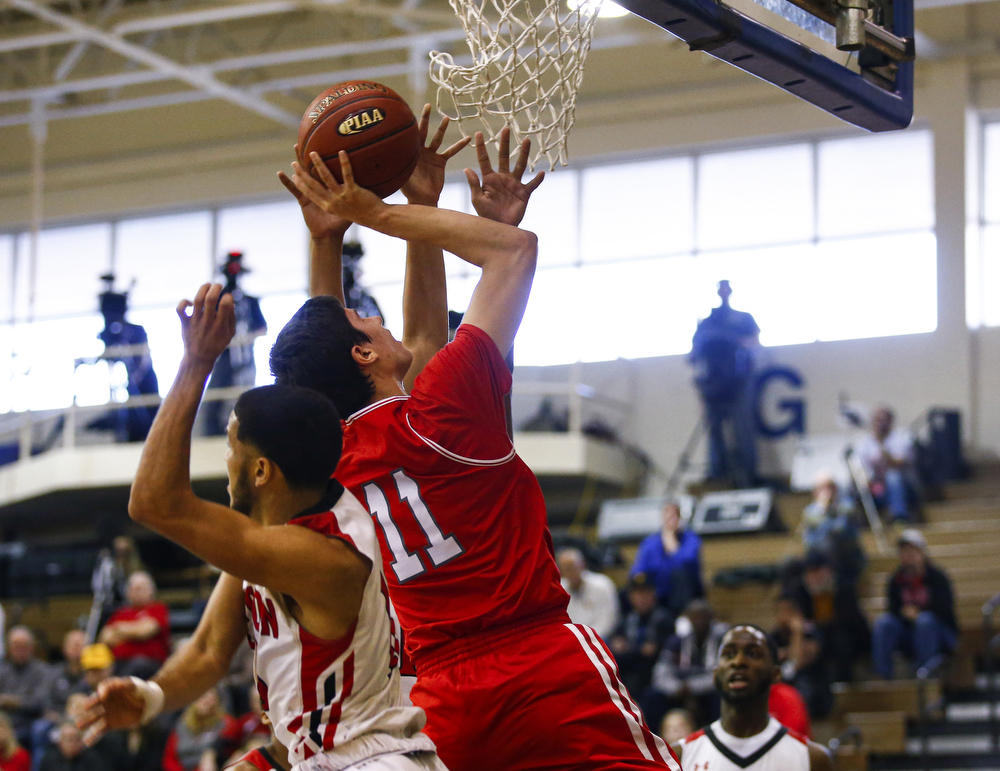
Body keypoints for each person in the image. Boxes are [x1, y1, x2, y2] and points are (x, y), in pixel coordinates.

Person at [271, 116, 680, 771]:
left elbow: (345, 355)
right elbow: (513, 252)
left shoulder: (334, 464)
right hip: (537, 658)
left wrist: (340, 235)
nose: (374, 316)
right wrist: (377, 214)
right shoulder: (445, 405)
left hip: (439, 699)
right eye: (363, 317)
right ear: (364, 352)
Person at [79, 282, 442, 771]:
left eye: (232, 447)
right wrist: (151, 696)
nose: (226, 461)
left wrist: (196, 362)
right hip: (325, 756)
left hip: (369, 761)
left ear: (261, 471)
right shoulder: (269, 540)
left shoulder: (322, 552)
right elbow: (209, 650)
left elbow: (154, 503)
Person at [674, 626, 832, 771]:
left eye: (753, 654)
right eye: (729, 654)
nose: (738, 662)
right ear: (715, 675)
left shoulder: (812, 759)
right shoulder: (680, 756)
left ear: (775, 674)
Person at [690, 280, 760, 488]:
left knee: (743, 428)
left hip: (739, 383)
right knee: (714, 430)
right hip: (713, 384)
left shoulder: (743, 318)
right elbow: (694, 354)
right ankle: (717, 472)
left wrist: (736, 343)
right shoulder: (708, 322)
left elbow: (755, 341)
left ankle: (748, 475)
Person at [872, 529, 957, 679]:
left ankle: (924, 676)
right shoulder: (895, 580)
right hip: (908, 632)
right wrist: (905, 615)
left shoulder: (937, 578)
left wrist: (918, 613)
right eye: (904, 552)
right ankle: (882, 676)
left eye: (912, 551)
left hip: (939, 632)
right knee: (884, 623)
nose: (908, 556)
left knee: (925, 621)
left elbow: (945, 610)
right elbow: (892, 610)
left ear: (922, 553)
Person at [203, 251, 268, 437]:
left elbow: (262, 327)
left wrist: (245, 337)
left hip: (246, 358)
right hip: (223, 356)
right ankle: (212, 433)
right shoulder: (217, 299)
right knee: (216, 394)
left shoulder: (249, 301)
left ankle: (247, 431)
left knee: (246, 393)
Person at [784, 551, 869, 683]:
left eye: (817, 571)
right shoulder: (799, 591)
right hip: (815, 636)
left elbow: (852, 622)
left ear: (828, 571)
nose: (813, 577)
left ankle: (842, 682)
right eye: (810, 572)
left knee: (840, 640)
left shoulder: (844, 589)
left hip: (844, 637)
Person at [642, 599, 728, 729]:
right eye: (695, 617)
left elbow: (721, 674)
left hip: (707, 690)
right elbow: (660, 672)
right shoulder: (676, 642)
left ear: (711, 618)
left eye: (703, 616)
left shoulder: (721, 641)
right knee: (651, 697)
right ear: (689, 618)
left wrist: (691, 687)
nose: (699, 621)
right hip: (678, 689)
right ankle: (655, 734)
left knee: (721, 697)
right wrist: (676, 687)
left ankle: (718, 733)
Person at [630, 502, 704, 616]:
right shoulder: (651, 541)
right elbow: (638, 569)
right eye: (667, 516)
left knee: (679, 575)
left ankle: (677, 617)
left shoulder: (691, 539)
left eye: (674, 516)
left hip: (684, 595)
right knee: (633, 588)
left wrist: (671, 543)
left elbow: (685, 564)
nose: (670, 520)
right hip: (656, 594)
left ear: (680, 519)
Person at [610, 574, 675, 698]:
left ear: (653, 594)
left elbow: (655, 654)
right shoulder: (626, 620)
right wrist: (640, 650)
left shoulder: (665, 620)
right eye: (637, 593)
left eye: (645, 593)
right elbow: (616, 650)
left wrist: (629, 649)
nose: (641, 598)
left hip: (653, 679)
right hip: (627, 675)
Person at [98, 572, 171, 680]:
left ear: (151, 590)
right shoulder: (121, 613)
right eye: (133, 589)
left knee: (137, 666)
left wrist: (119, 629)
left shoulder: (158, 608)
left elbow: (146, 631)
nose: (137, 592)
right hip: (118, 663)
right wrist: (135, 629)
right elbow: (105, 638)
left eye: (140, 588)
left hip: (149, 665)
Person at [32, 631, 88, 771]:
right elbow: (45, 701)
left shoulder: (91, 672)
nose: (77, 649)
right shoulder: (54, 673)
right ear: (64, 648)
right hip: (58, 720)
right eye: (73, 645)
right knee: (40, 728)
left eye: (81, 645)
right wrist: (63, 717)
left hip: (85, 721)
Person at [770, 595, 832, 721]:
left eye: (787, 610)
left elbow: (796, 664)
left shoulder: (812, 633)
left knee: (801, 690)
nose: (783, 615)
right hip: (784, 685)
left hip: (813, 689)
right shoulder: (774, 636)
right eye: (779, 611)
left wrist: (797, 633)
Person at [855, 407, 918, 522]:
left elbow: (898, 464)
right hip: (878, 489)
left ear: (890, 421)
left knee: (893, 476)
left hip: (905, 489)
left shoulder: (902, 439)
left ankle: (900, 516)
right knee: (855, 486)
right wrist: (867, 481)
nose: (880, 424)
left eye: (883, 420)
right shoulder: (864, 444)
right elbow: (862, 469)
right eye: (877, 420)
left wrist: (881, 445)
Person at [162, 688, 241, 771]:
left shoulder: (225, 724)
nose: (206, 702)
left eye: (211, 700)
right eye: (203, 698)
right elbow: (169, 758)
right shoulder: (182, 724)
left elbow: (230, 750)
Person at [0, 627, 52, 748]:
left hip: (29, 723)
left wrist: (10, 701)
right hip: (3, 722)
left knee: (40, 729)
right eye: (16, 646)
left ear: (32, 647)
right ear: (9, 648)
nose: (20, 650)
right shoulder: (2, 670)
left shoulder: (42, 671)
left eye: (24, 646)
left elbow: (40, 702)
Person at [556, 547, 620, 639]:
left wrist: (587, 638)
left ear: (583, 565)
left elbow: (608, 620)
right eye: (566, 569)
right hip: (572, 639)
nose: (571, 572)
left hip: (600, 637)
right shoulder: (559, 589)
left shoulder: (602, 584)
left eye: (573, 567)